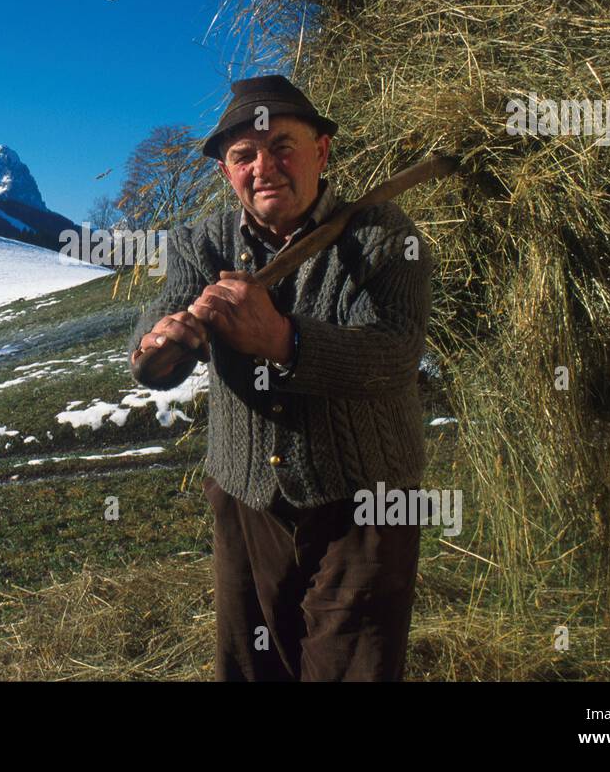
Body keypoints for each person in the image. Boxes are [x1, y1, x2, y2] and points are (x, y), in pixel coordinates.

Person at [127, 74, 433, 681]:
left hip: (364, 503)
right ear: (226, 172)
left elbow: (394, 355)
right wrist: (159, 348)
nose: (264, 167)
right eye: (244, 156)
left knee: (352, 667)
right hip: (246, 496)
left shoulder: (385, 237)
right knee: (254, 665)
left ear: (321, 150)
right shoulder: (200, 243)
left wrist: (281, 340)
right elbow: (157, 335)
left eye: (283, 147)